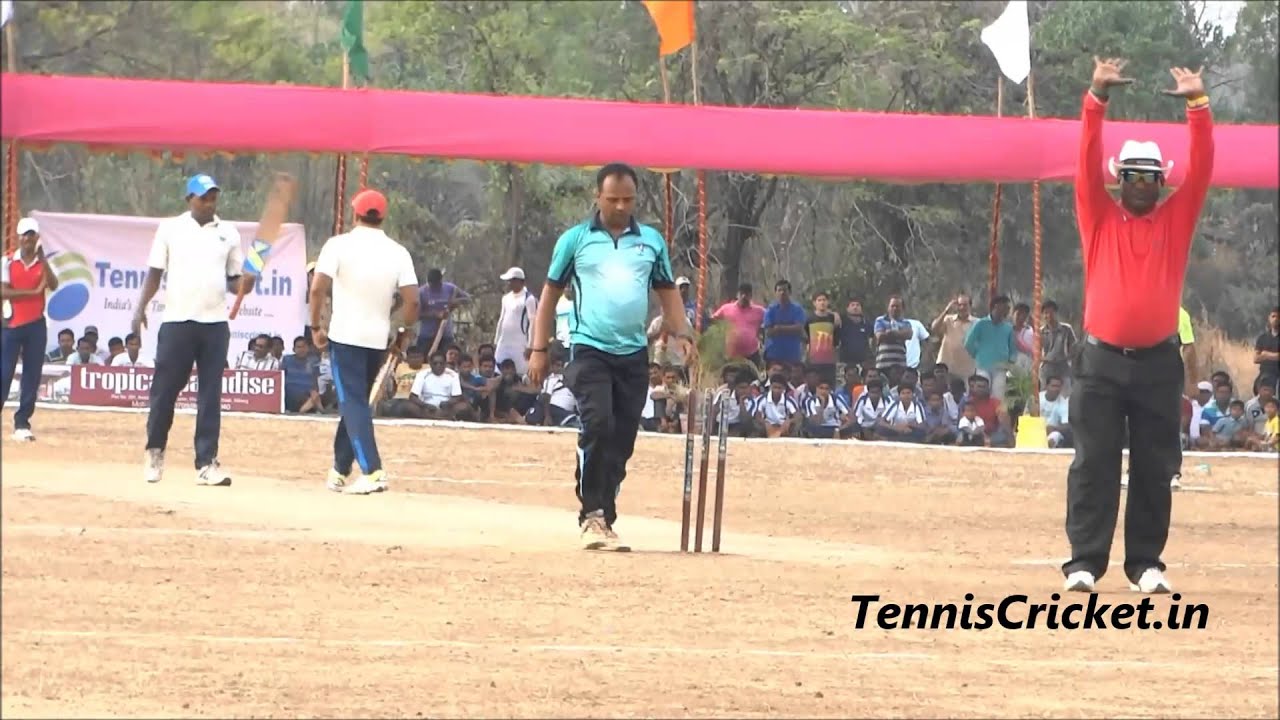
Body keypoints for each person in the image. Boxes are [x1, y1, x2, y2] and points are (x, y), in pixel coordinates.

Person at [1061, 59, 1213, 596]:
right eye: (1134, 176)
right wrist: (1096, 95)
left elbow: (1203, 168)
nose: (1144, 185)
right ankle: (1084, 562)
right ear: (1120, 180)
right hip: (1100, 362)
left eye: (1152, 177)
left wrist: (1198, 105)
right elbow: (1083, 158)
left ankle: (1145, 563)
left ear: (1161, 182)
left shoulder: (1176, 219)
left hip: (1157, 364)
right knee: (1094, 463)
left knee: (1154, 465)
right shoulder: (1097, 215)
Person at [528, 162, 694, 552]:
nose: (621, 207)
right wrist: (539, 348)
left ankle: (606, 514)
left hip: (633, 353)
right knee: (598, 424)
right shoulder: (575, 240)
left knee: (622, 440)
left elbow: (668, 294)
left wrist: (683, 334)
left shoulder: (650, 241)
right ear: (597, 197)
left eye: (628, 200)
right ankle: (591, 515)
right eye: (613, 199)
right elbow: (549, 295)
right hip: (589, 349)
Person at [134, 174, 251, 486]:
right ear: (190, 199)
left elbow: (234, 280)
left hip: (214, 325)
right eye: (203, 197)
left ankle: (206, 462)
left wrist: (246, 284)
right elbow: (154, 274)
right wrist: (139, 309)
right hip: (177, 322)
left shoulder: (228, 232)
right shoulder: (170, 229)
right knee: (165, 392)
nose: (209, 202)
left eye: (213, 196)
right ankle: (155, 451)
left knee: (210, 396)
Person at [309, 189, 419, 495]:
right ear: (382, 216)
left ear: (354, 214)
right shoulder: (398, 252)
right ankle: (340, 469)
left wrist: (315, 324)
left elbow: (318, 289)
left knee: (353, 402)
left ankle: (372, 470)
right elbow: (413, 301)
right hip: (377, 338)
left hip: (345, 336)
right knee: (356, 403)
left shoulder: (338, 245)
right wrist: (404, 331)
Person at [1, 218, 60, 441]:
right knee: (4, 374)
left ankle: (22, 423)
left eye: (31, 235)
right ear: (18, 237)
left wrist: (43, 259)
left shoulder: (42, 264)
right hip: (12, 325)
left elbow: (53, 284)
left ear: (37, 238)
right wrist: (34, 292)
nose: (28, 239)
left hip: (36, 325)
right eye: (24, 235)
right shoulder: (7, 262)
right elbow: (4, 292)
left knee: (32, 375)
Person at [493, 266, 538, 375]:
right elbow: (502, 319)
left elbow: (533, 322)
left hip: (520, 341)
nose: (509, 283)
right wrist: (496, 339)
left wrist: (530, 345)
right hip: (504, 340)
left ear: (519, 281)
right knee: (498, 367)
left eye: (511, 281)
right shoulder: (506, 298)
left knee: (520, 370)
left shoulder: (528, 298)